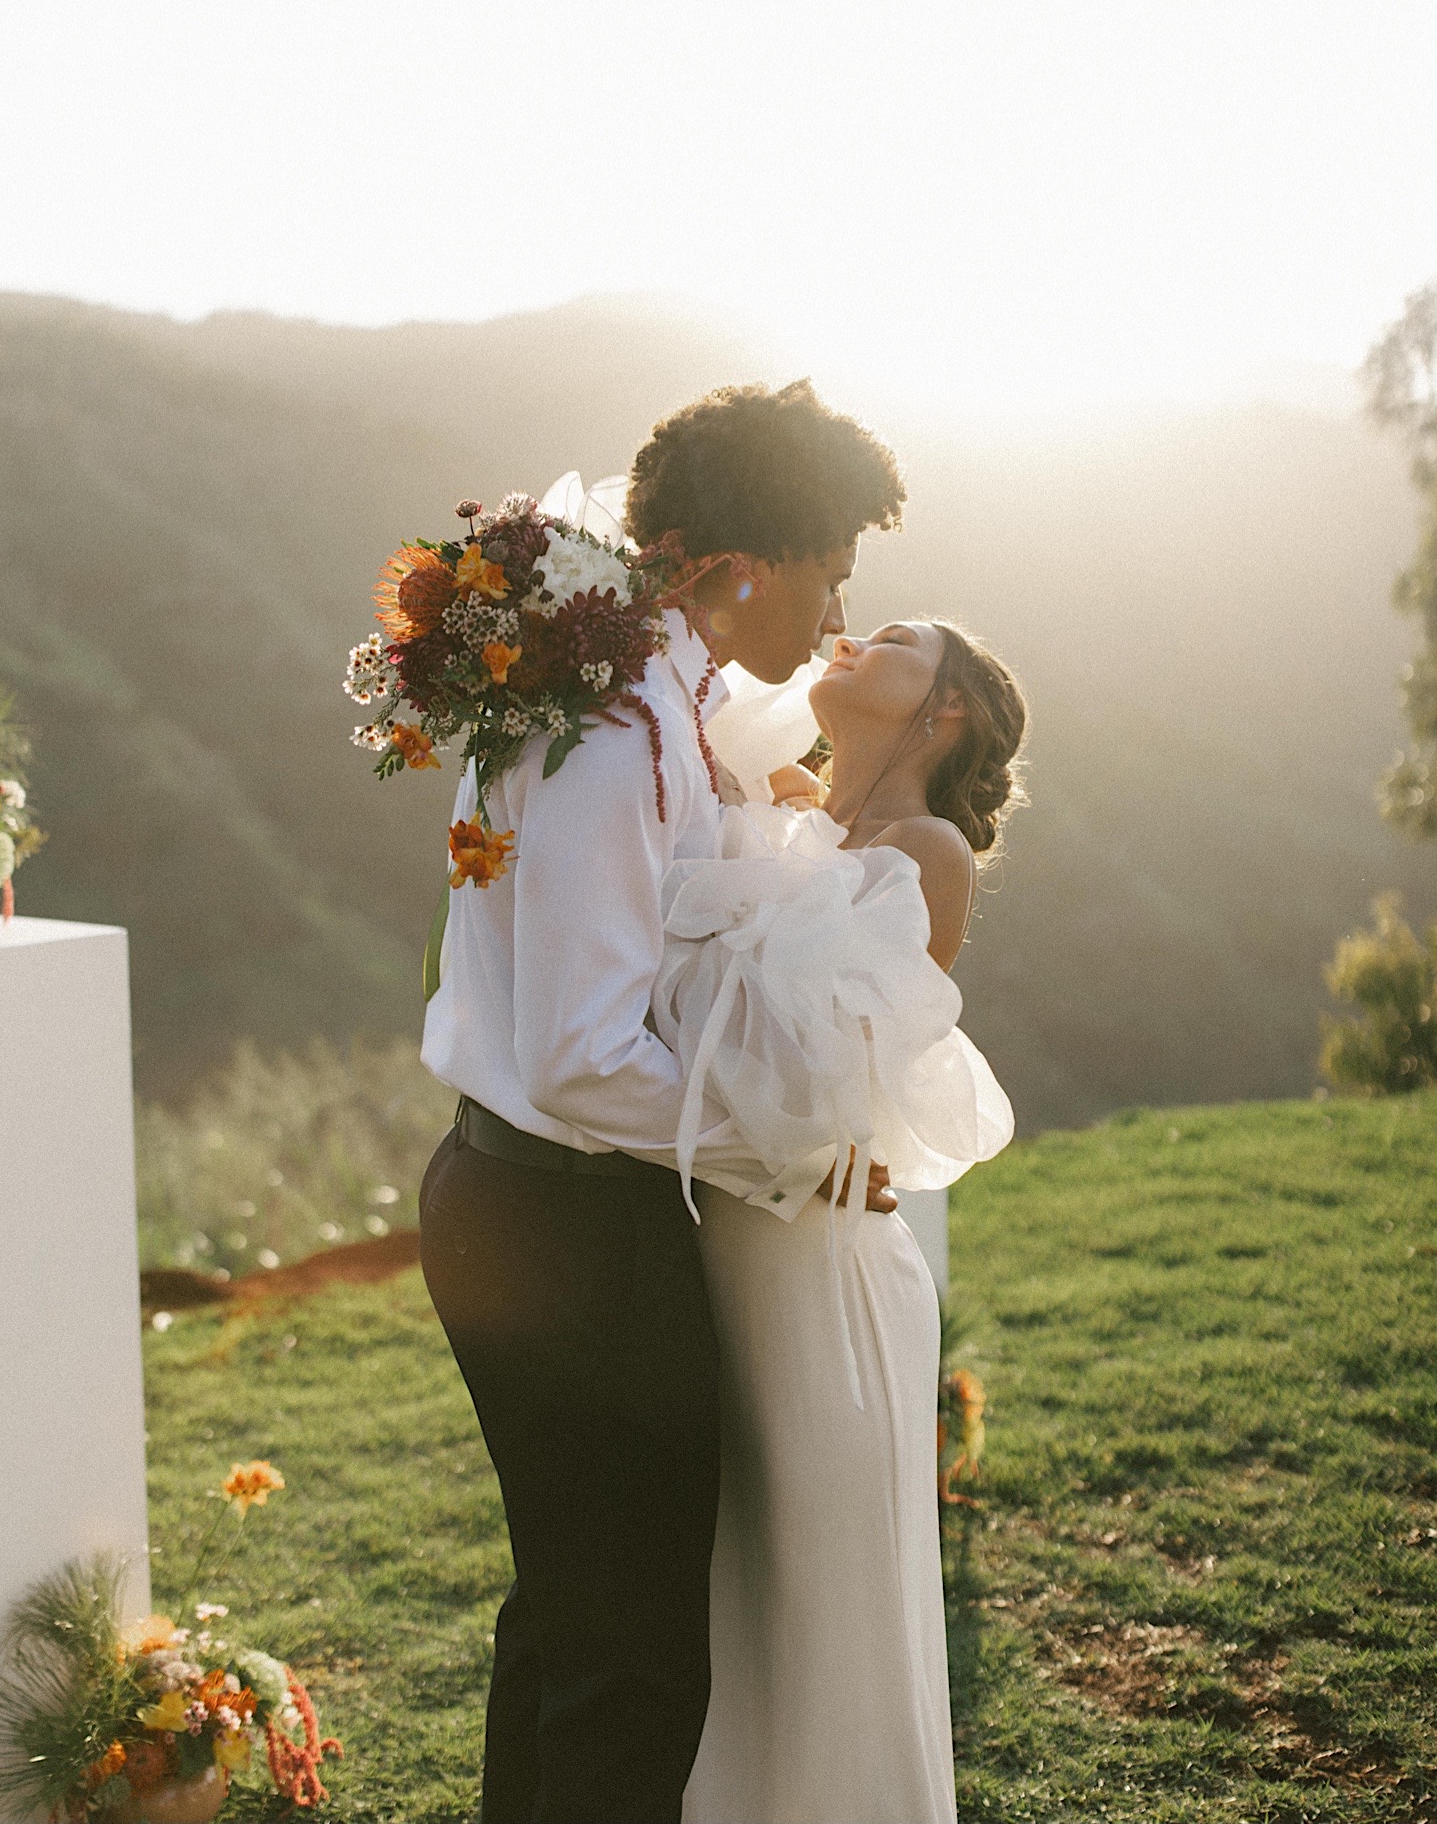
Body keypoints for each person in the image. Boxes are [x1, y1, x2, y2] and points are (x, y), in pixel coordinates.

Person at [418, 381, 906, 1824]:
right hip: (566, 1232)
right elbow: (576, 1052)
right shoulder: (615, 729)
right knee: (633, 1659)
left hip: (531, 1202)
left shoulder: (647, 691)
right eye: (829, 569)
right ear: (741, 560)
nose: (835, 613)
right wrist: (785, 1144)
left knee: (572, 1621)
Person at [679, 617, 1027, 1824]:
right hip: (724, 1245)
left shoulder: (926, 850)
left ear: (948, 714)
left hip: (822, 1269)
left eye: (891, 639)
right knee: (732, 1585)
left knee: (825, 1591)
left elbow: (839, 1075)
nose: (847, 634)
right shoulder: (777, 811)